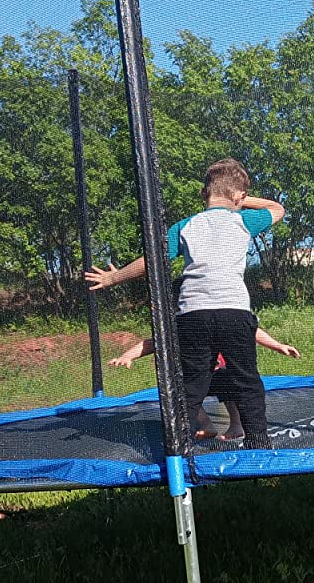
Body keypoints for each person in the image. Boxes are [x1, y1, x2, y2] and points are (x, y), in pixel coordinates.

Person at [86, 157, 284, 449]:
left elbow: (152, 260)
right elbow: (277, 210)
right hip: (234, 312)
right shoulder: (243, 219)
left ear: (204, 194)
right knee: (247, 380)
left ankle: (178, 446)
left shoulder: (186, 225)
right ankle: (258, 442)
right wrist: (241, 198)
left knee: (191, 385)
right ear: (239, 196)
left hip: (192, 313)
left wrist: (115, 279)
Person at [107, 327, 300, 441]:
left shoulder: (215, 316)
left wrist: (277, 345)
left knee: (229, 388)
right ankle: (207, 425)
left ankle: (236, 425)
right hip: (192, 379)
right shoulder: (177, 327)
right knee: (179, 390)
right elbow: (149, 344)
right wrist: (126, 356)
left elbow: (250, 328)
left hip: (220, 374)